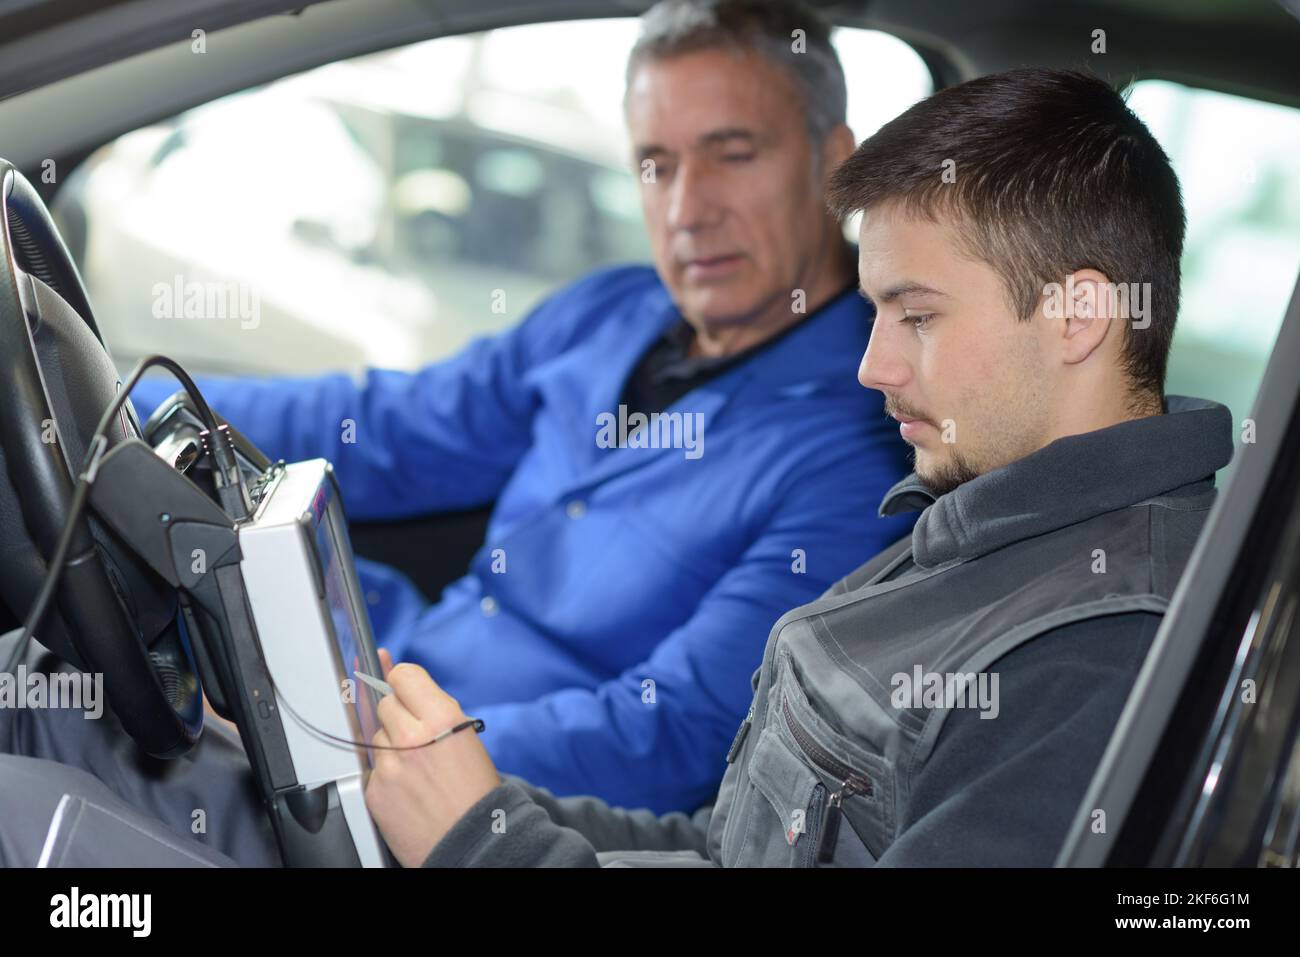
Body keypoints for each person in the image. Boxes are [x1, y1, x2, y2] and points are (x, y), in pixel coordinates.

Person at [0, 66, 1232, 868]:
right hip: (434, 768)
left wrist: (484, 836)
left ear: (1079, 314)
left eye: (913, 316)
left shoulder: (1093, 652)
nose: (873, 370)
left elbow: (680, 733)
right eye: (870, 314)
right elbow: (718, 848)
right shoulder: (969, 525)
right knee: (40, 730)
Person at [125, 0, 914, 815]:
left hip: (471, 802)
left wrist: (363, 746)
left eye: (733, 154)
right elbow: (389, 424)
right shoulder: (610, 313)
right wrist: (129, 404)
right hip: (387, 681)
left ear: (835, 164)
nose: (687, 209)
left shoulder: (871, 430)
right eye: (657, 165)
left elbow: (681, 731)